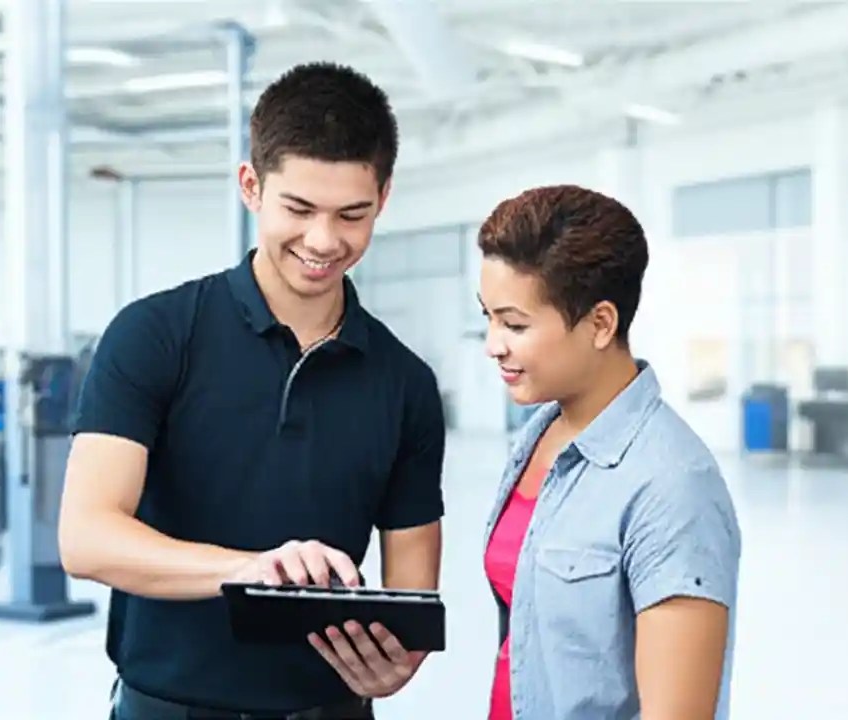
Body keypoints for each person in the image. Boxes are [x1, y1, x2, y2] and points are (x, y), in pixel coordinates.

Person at [58, 61, 446, 720]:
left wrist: (394, 664)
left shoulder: (405, 383)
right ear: (251, 185)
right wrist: (254, 571)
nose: (324, 241)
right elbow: (87, 537)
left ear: (383, 198)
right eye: (299, 209)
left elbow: (411, 598)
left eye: (352, 214)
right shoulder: (153, 336)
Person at [474, 185, 741, 720]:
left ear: (600, 324)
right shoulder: (537, 438)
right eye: (489, 317)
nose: (492, 343)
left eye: (515, 324)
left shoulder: (672, 485)